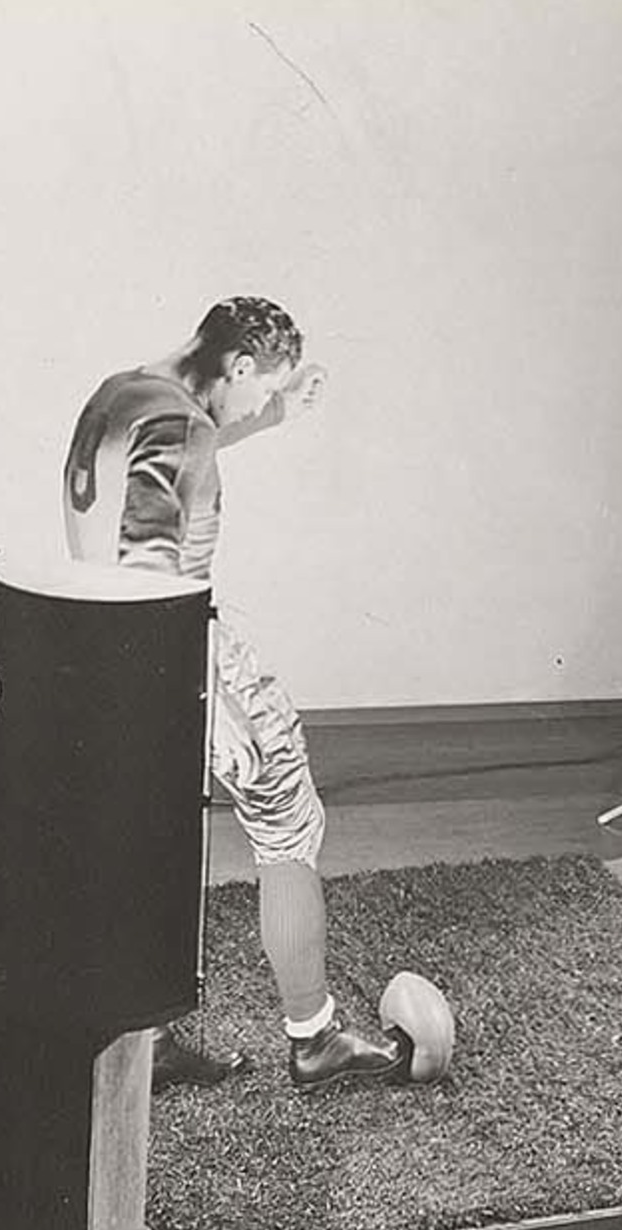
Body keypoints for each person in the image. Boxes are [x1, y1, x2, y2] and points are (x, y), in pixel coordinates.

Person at [61, 295, 401, 1093]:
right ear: (239, 366)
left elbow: (182, 449)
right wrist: (214, 698)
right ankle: (315, 1040)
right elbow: (149, 575)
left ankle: (138, 1037)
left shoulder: (125, 391)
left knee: (139, 846)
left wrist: (273, 415)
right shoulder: (184, 426)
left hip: (92, 650)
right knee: (286, 821)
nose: (252, 403)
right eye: (257, 388)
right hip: (167, 650)